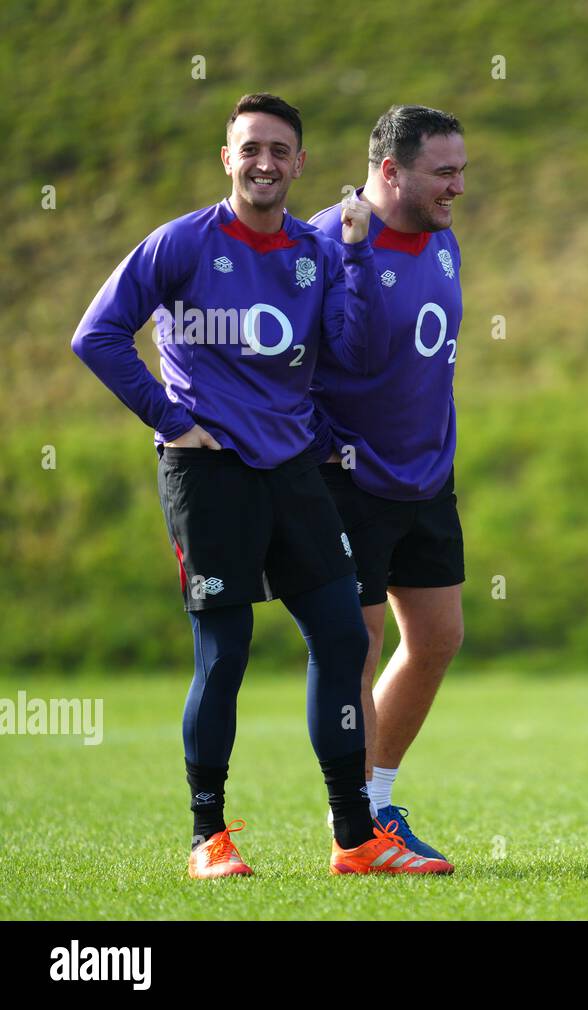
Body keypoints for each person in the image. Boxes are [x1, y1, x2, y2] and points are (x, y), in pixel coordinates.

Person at [72, 92, 445, 876]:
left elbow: (349, 351)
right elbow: (97, 334)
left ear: (301, 163)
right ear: (227, 159)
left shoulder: (313, 250)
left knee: (344, 638)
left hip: (295, 470)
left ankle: (354, 836)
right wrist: (168, 417)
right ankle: (208, 838)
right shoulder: (180, 244)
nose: (265, 163)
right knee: (225, 653)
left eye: (280, 150)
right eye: (251, 149)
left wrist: (351, 255)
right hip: (209, 475)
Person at [308, 105, 467, 869]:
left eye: (462, 170)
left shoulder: (443, 243)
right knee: (358, 649)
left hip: (427, 478)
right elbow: (288, 358)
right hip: (349, 481)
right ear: (390, 170)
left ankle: (379, 799)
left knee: (437, 638)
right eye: (445, 171)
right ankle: (359, 829)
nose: (459, 186)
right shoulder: (320, 242)